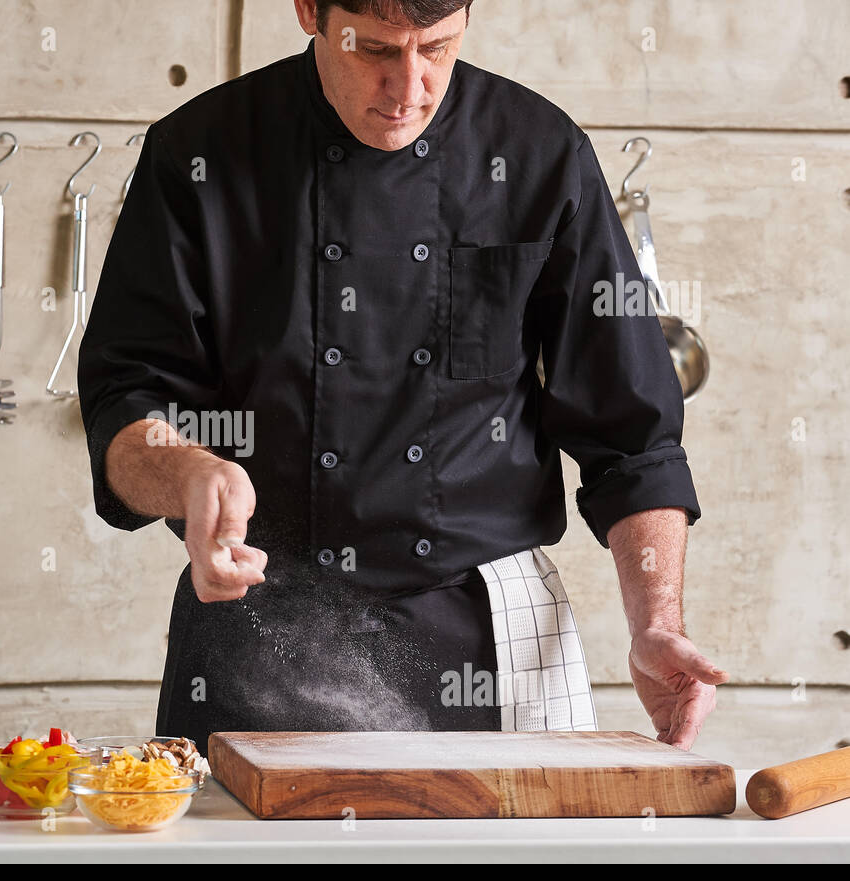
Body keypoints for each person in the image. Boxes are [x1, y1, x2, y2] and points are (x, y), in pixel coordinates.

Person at [78, 0, 728, 754]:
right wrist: (184, 469)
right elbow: (125, 403)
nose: (409, 87)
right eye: (376, 52)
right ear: (308, 12)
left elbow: (635, 436)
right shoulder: (198, 154)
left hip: (489, 632)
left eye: (438, 50)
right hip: (257, 625)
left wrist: (656, 625)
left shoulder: (540, 151)